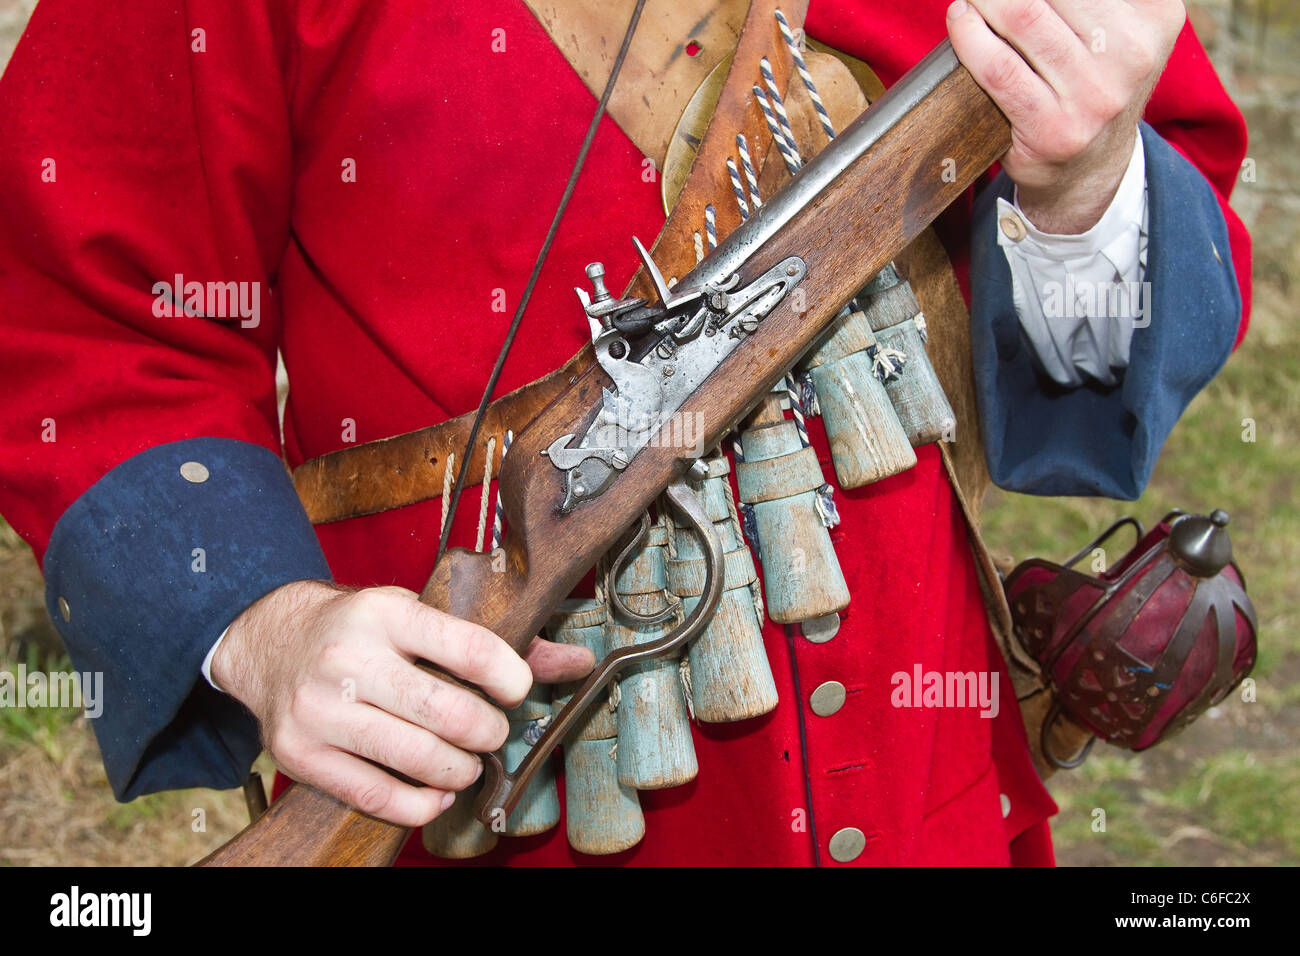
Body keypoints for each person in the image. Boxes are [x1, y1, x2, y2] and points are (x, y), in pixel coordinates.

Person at [0, 0, 1248, 865]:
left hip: (931, 783)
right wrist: (267, 629)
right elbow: (88, 321)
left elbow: (1110, 319)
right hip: (493, 798)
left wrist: (1082, 190)